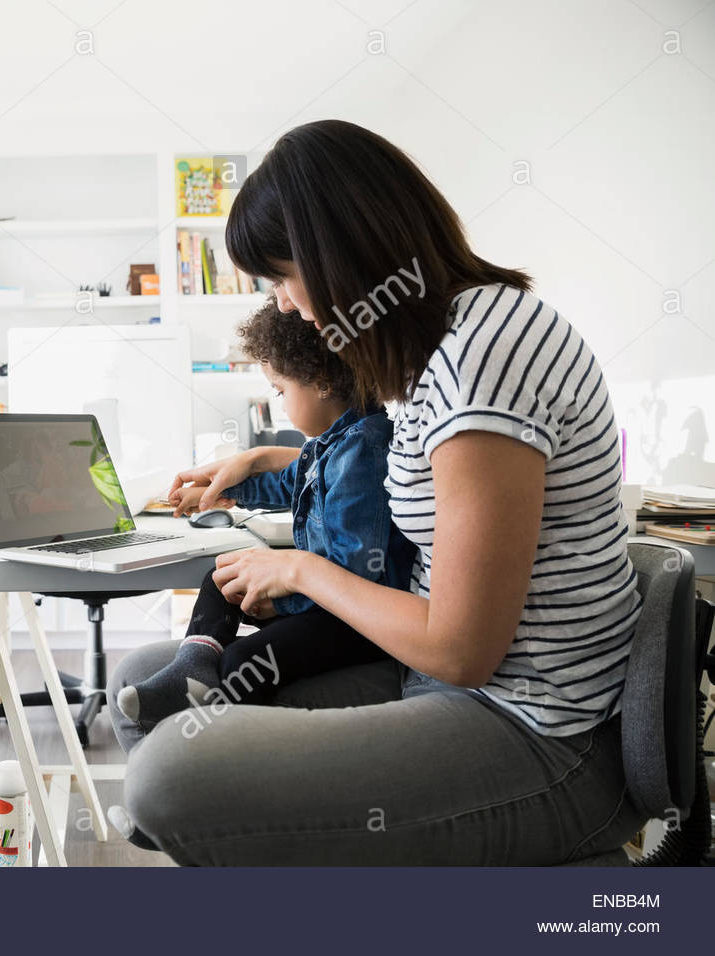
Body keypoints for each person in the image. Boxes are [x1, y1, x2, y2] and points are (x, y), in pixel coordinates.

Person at [109, 119, 645, 865]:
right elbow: (378, 475)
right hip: (443, 684)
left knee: (171, 776)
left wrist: (300, 570)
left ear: (337, 256)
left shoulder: (480, 362)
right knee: (142, 682)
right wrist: (263, 461)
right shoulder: (448, 348)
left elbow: (461, 649)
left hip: (541, 731)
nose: (285, 305)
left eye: (282, 278)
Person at [115, 298, 412, 728]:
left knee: (242, 661)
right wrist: (219, 491)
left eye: (280, 391)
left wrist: (284, 599)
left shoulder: (363, 451)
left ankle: (221, 741)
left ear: (322, 382)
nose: (281, 405)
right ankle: (190, 668)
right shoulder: (330, 443)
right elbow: (285, 485)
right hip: (326, 601)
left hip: (356, 620)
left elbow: (357, 572)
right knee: (221, 577)